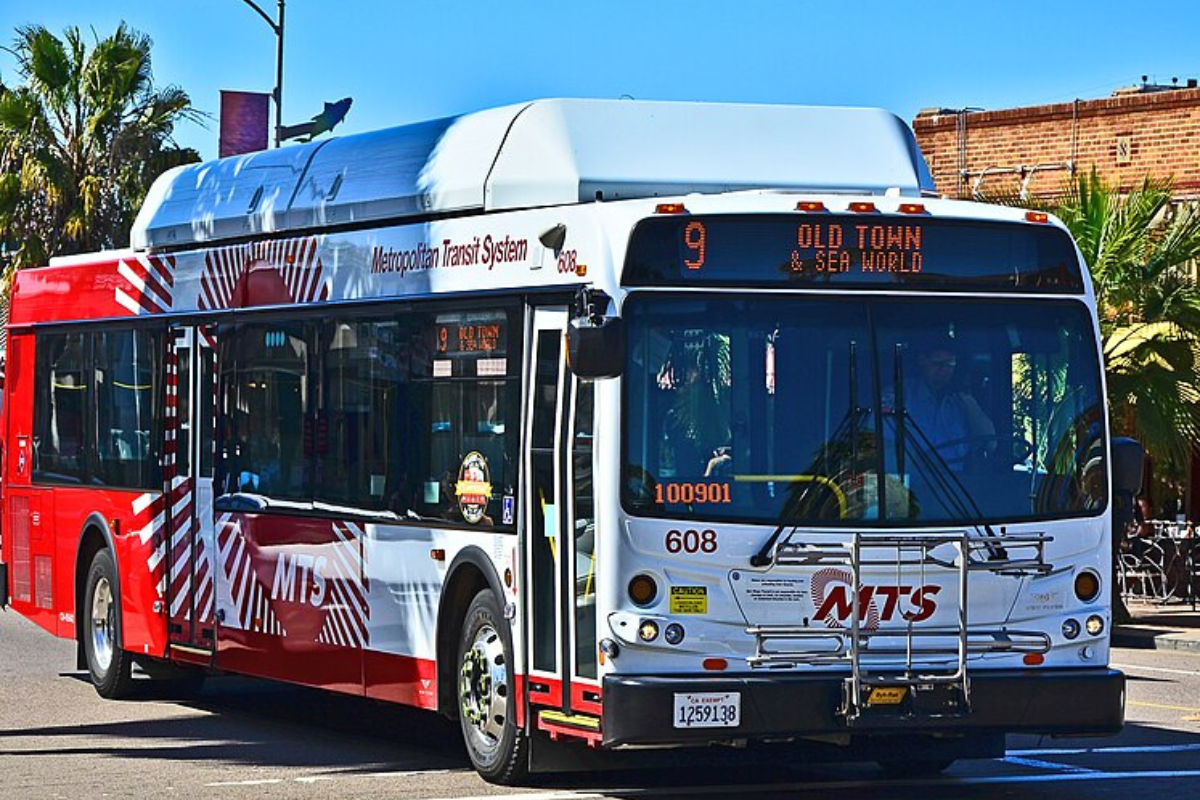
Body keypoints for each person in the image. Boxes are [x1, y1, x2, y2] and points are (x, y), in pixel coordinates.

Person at [898, 334, 995, 471]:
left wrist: (966, 398)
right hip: (913, 484)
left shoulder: (961, 402)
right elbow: (876, 443)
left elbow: (990, 443)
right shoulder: (901, 395)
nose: (943, 370)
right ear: (922, 361)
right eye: (937, 363)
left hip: (954, 487)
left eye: (950, 364)